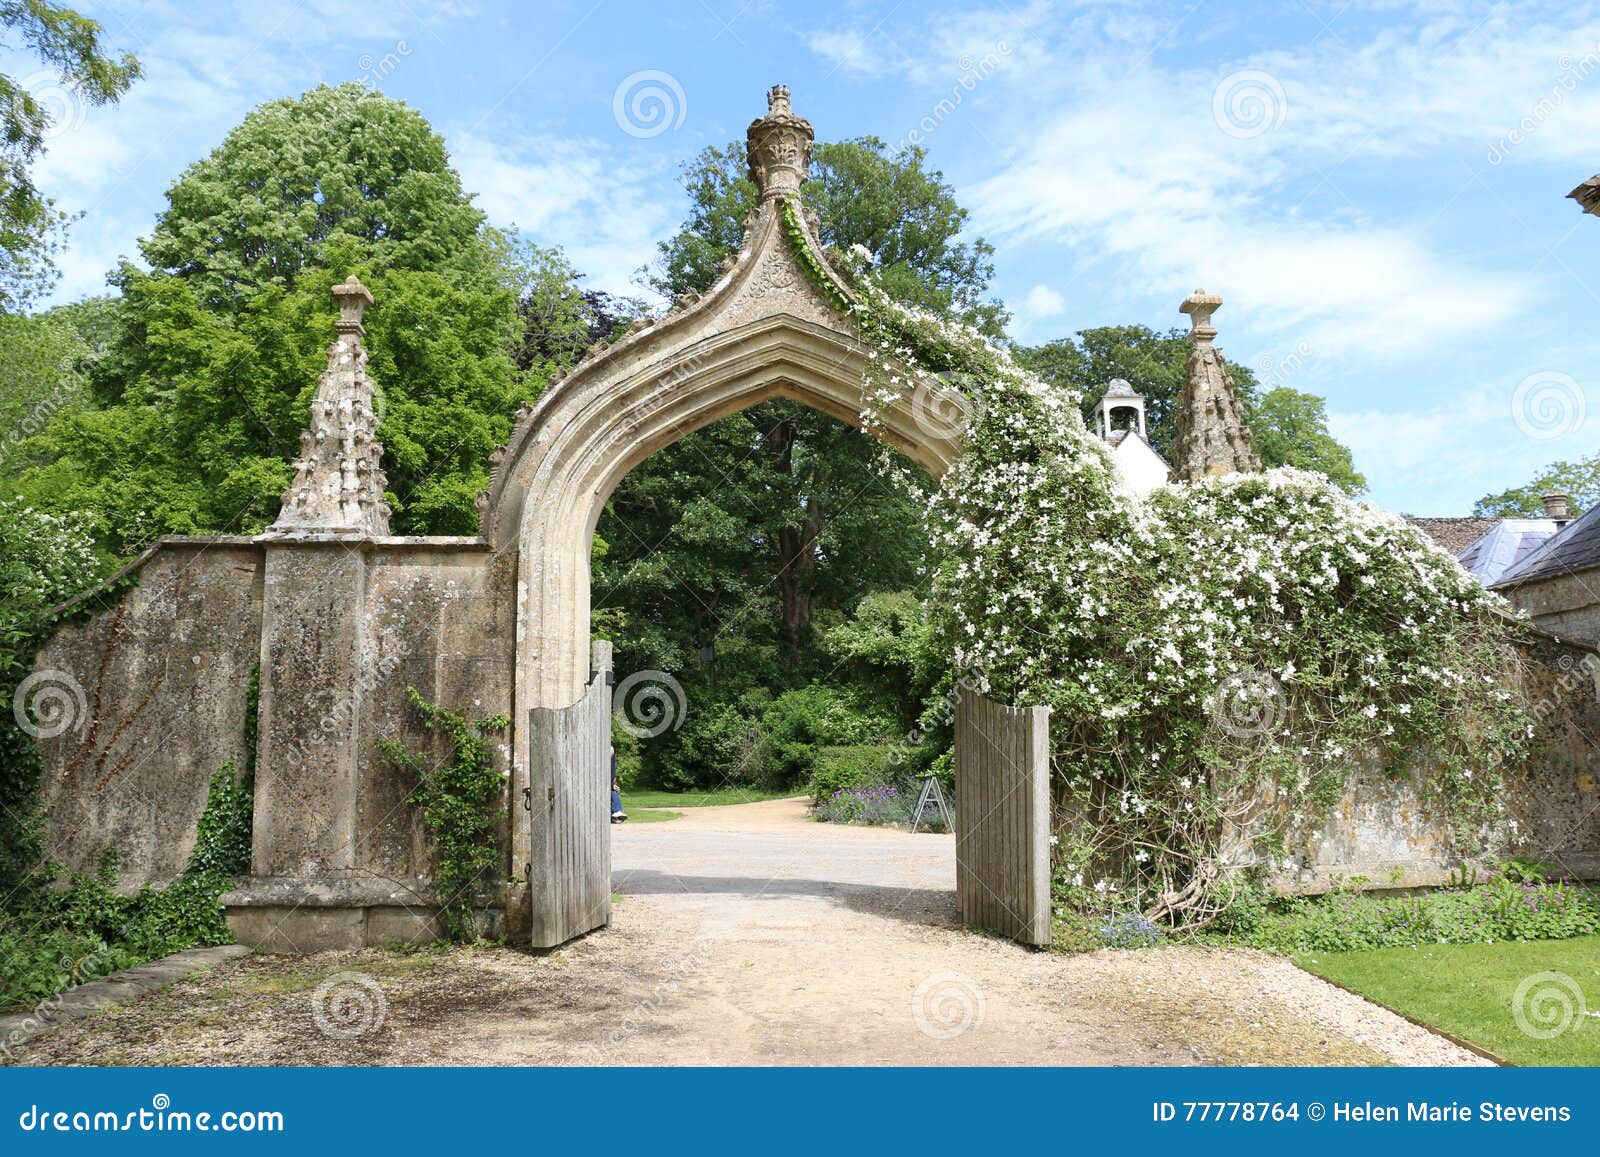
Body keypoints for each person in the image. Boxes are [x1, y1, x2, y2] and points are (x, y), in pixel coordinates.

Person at [610, 745, 627, 823]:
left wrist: (614, 785)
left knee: (613, 792)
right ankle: (617, 812)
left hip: (608, 785)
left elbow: (612, 776)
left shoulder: (611, 763)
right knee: (612, 792)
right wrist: (612, 786)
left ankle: (616, 814)